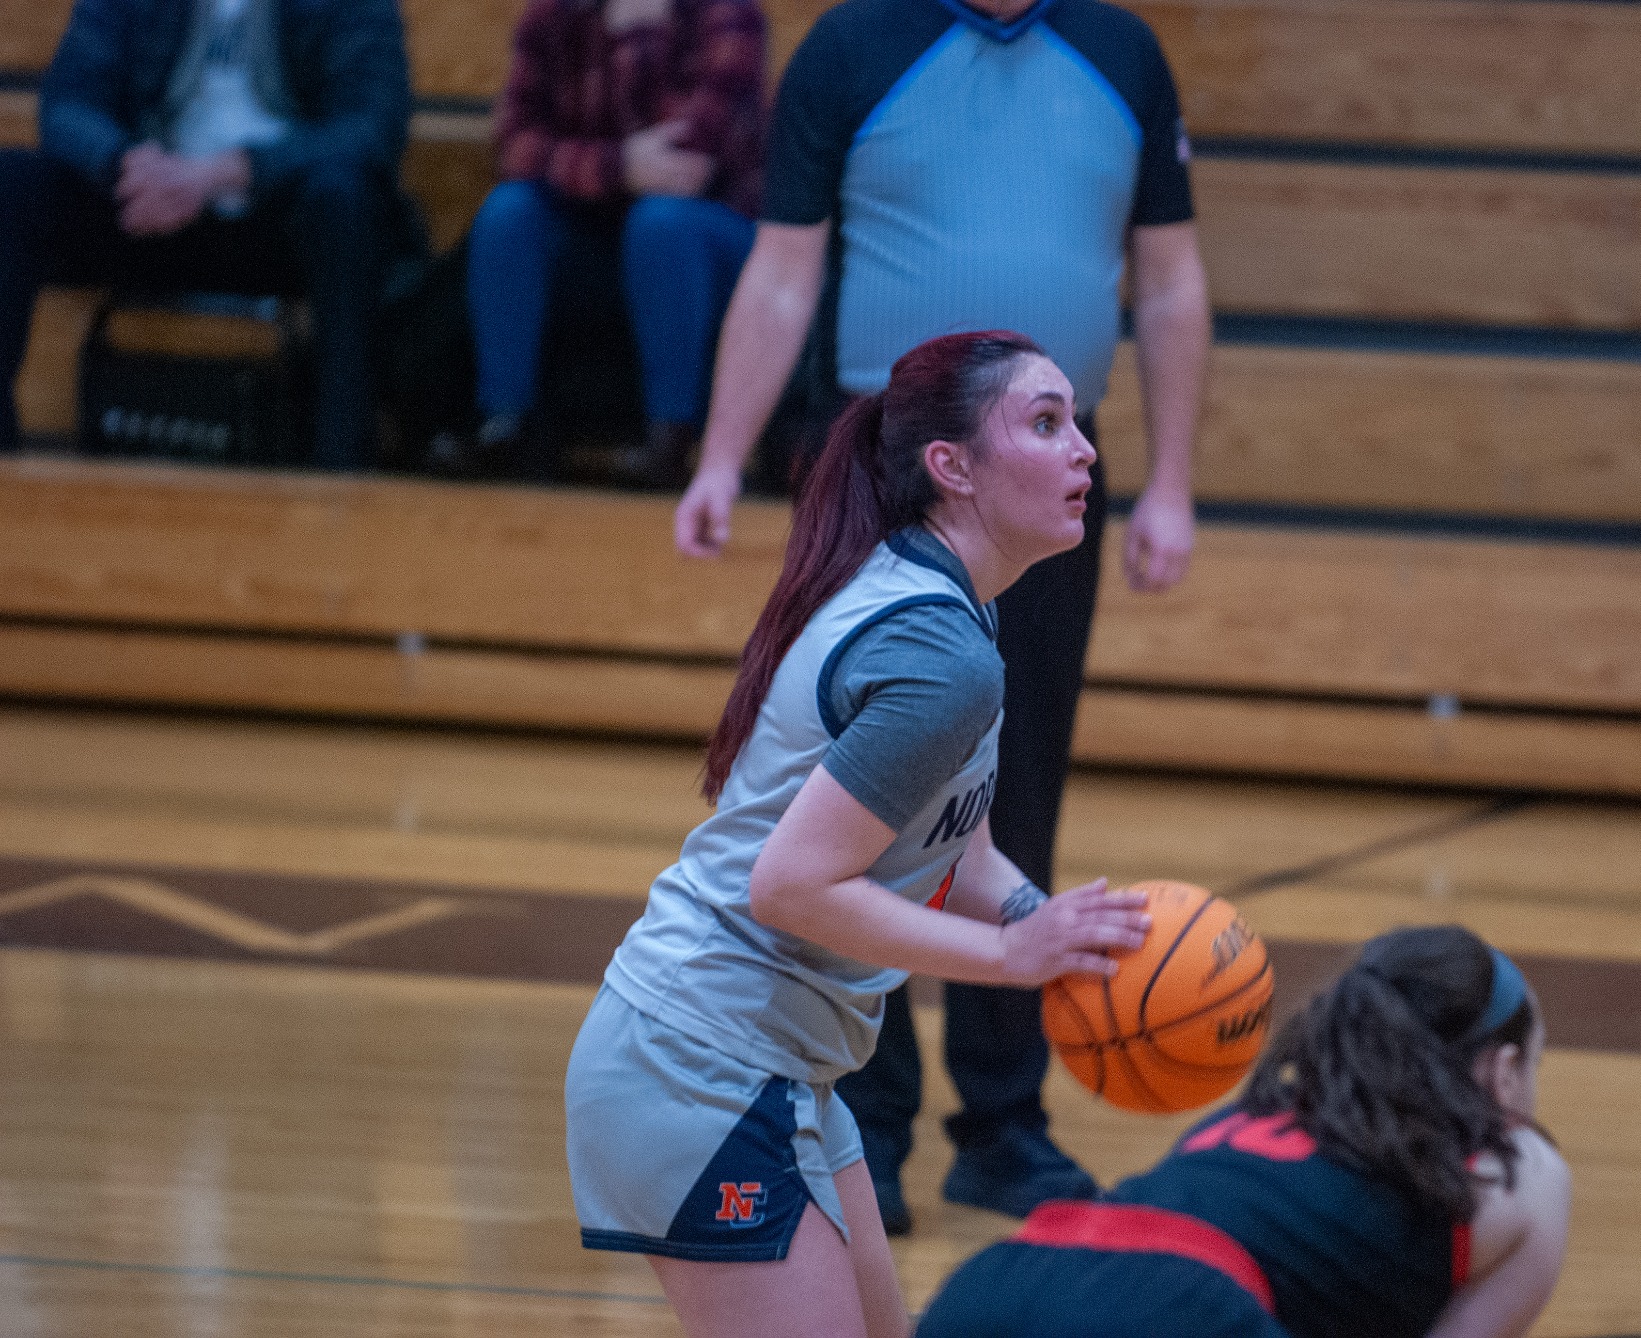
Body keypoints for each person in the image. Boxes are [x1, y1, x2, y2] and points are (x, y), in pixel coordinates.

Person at [670, 0, 1211, 1232]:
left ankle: (1003, 1125)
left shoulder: (1122, 54)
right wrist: (718, 455)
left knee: (1003, 790)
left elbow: (1171, 284)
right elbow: (781, 269)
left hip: (1035, 474)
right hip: (888, 471)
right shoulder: (851, 48)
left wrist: (1170, 479)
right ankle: (867, 1117)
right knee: (872, 790)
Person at [565, 331, 1153, 1338]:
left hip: (774, 1071)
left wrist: (1037, 917)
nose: (1083, 449)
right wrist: (1010, 956)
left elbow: (948, 841)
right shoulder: (939, 653)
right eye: (1045, 424)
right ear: (950, 467)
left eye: (1074, 421)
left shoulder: (942, 606)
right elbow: (788, 887)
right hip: (700, 1064)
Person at [916, 925, 1573, 1338]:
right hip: (1178, 1309)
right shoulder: (1523, 1171)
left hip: (992, 1284)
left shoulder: (1248, 1115)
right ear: (1504, 1071)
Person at [0, 0, 421, 469]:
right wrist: (125, 163)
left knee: (346, 198)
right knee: (11, 182)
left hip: (278, 216)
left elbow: (372, 126)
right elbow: (67, 105)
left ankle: (343, 465)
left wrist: (231, 172)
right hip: (148, 208)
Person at [441, 0, 766, 485]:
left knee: (660, 224)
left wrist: (582, 164)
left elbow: (688, 162)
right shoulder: (551, 15)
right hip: (593, 230)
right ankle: (504, 423)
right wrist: (620, 166)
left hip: (710, 237)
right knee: (510, 212)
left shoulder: (726, 14)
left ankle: (672, 440)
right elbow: (512, 146)